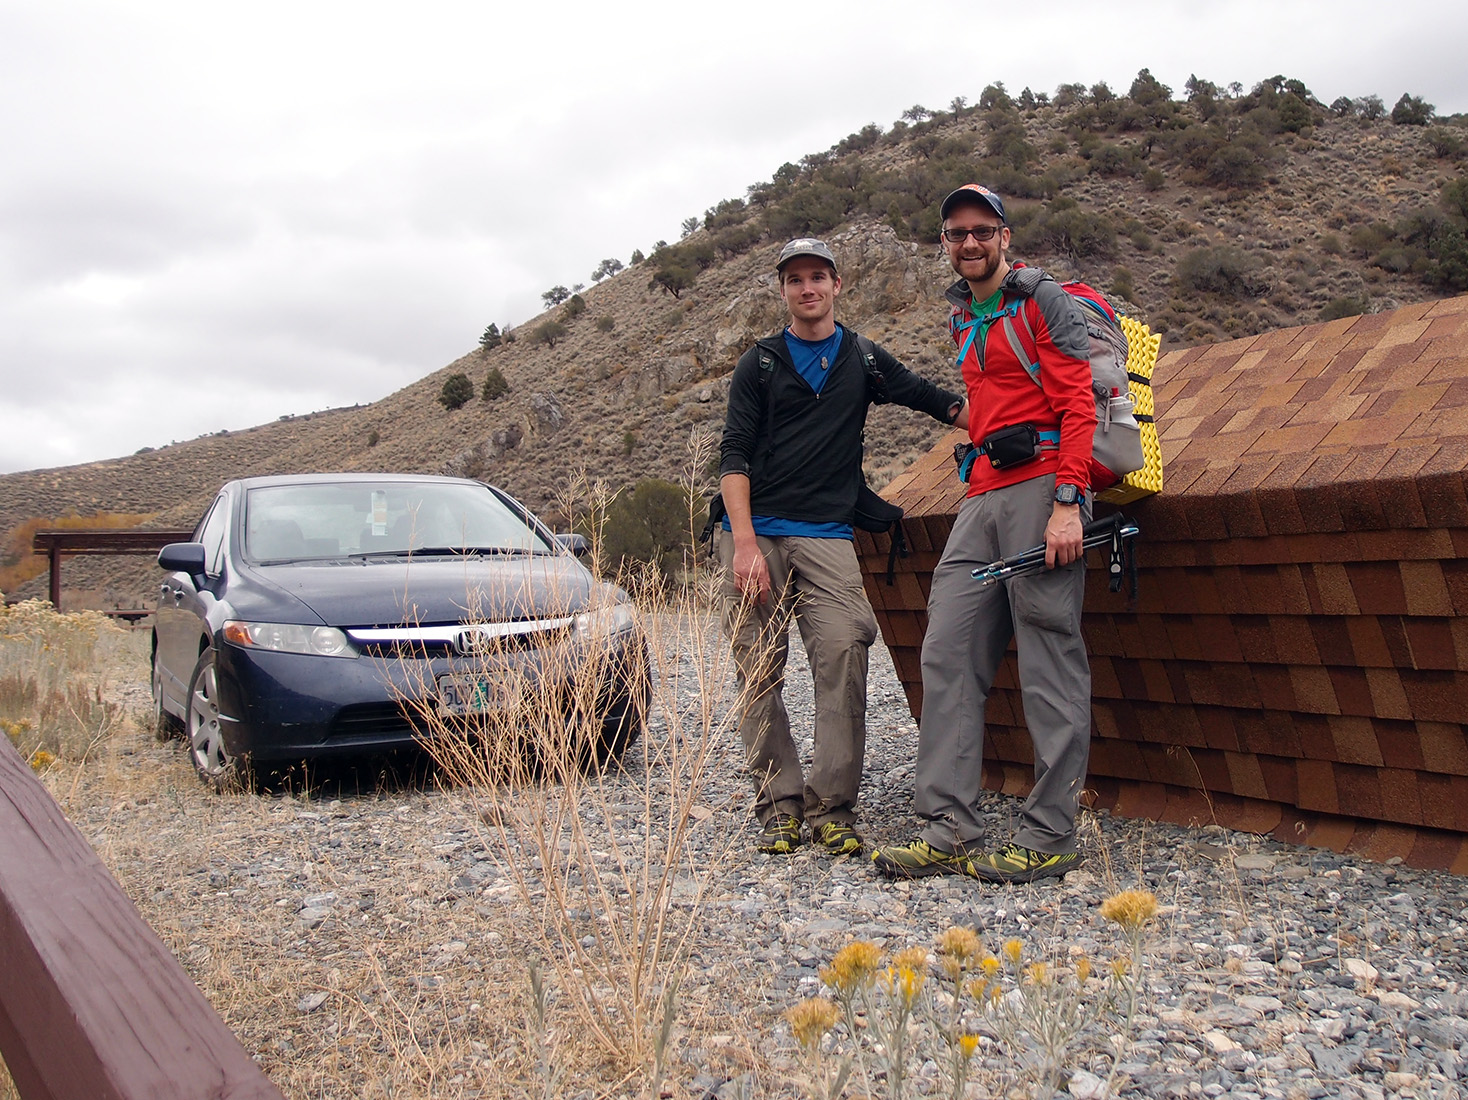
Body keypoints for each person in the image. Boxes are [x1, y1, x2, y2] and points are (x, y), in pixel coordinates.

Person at [871, 184, 1096, 884]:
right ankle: (948, 825)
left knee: (1048, 659)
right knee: (946, 649)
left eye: (982, 230)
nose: (969, 242)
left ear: (1005, 237)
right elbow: (982, 406)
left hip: (1042, 488)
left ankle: (1052, 833)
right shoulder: (963, 316)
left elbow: (1078, 402)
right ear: (945, 243)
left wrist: (1068, 501)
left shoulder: (1042, 302)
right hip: (982, 495)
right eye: (956, 232)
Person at [719, 236, 967, 856]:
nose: (808, 288)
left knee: (844, 650)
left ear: (836, 285)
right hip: (755, 534)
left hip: (827, 533)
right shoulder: (761, 364)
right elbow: (733, 457)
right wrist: (744, 542)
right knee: (758, 669)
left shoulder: (861, 356)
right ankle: (778, 803)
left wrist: (1023, 418)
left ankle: (832, 808)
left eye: (819, 277)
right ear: (783, 290)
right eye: (796, 279)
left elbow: (935, 401)